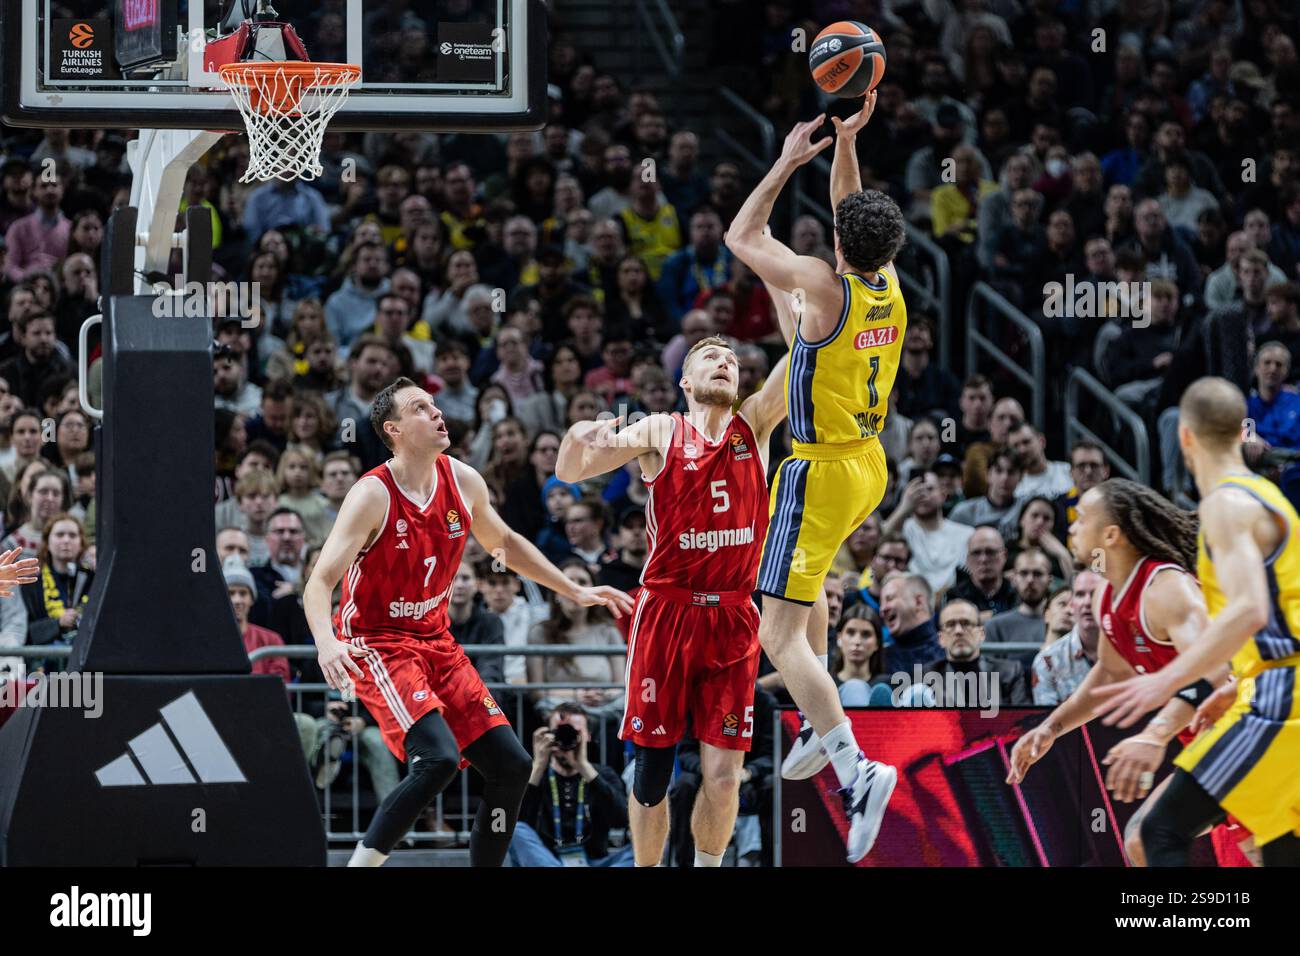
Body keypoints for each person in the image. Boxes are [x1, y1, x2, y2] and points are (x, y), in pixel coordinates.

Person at [304, 376, 633, 868]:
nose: (437, 413)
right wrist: (326, 643)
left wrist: (574, 589)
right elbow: (319, 580)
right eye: (420, 408)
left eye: (435, 404)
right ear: (393, 429)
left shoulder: (463, 479)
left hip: (436, 640)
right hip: (376, 642)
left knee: (512, 765)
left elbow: (505, 543)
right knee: (435, 760)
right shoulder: (372, 494)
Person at [724, 97, 901, 862]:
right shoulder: (886, 281)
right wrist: (849, 143)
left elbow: (741, 235)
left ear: (834, 246)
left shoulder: (820, 287)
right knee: (811, 595)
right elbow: (849, 211)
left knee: (776, 630)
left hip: (820, 471)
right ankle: (816, 726)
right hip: (869, 464)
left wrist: (789, 158)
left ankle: (857, 768)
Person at [555, 322, 792, 868]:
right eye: (709, 356)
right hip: (667, 611)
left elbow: (801, 360)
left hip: (733, 614)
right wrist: (577, 436)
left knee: (724, 774)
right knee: (654, 774)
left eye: (730, 359)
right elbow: (571, 472)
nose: (723, 362)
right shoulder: (662, 429)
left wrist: (811, 304)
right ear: (684, 381)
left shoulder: (752, 425)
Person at [1093, 379, 1300, 867]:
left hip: (1281, 698)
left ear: (1184, 437)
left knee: (1159, 830)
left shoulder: (1225, 505)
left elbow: (1251, 610)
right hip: (1275, 686)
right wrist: (1231, 688)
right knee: (1280, 849)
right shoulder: (1267, 497)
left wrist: (1167, 679)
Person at [1008, 477, 1245, 867]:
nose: (1071, 526)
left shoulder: (1167, 589)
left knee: (1149, 837)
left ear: (1112, 534)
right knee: (1145, 839)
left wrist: (1155, 734)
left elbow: (1215, 674)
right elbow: (1110, 675)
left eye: (1081, 517)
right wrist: (1051, 727)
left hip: (1246, 736)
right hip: (1212, 746)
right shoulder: (1107, 593)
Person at [510, 703, 634, 867]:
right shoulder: (536, 775)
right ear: (548, 735)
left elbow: (622, 819)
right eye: (559, 732)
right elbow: (515, 821)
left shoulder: (603, 774)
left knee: (647, 847)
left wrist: (583, 767)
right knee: (516, 831)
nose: (566, 737)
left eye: (575, 733)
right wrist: (538, 765)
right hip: (548, 860)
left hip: (596, 862)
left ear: (588, 736)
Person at [926, 599, 1031, 706]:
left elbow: (1023, 720)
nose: (958, 631)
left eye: (966, 623)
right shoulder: (926, 677)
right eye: (950, 625)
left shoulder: (1009, 673)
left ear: (981, 634)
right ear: (941, 638)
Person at [1031, 571, 1102, 706]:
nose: (1087, 602)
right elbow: (1047, 720)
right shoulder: (1047, 660)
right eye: (1080, 595)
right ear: (1072, 605)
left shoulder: (1129, 652)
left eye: (1094, 594)